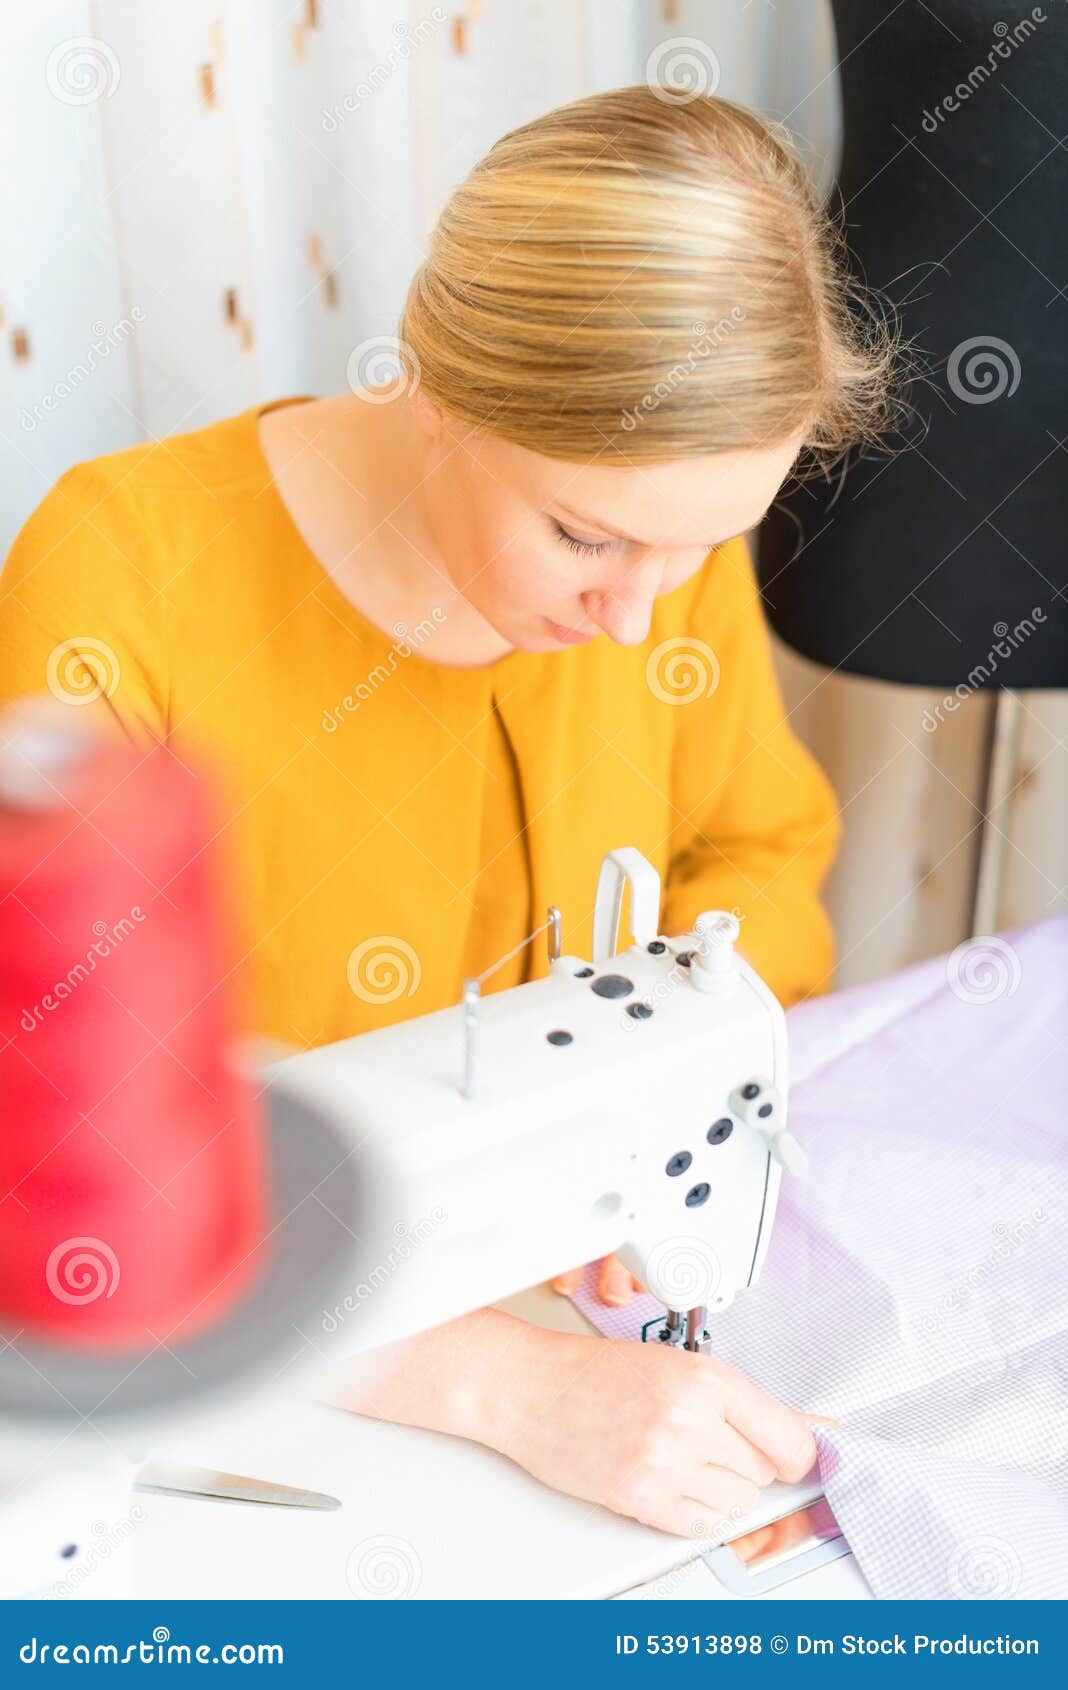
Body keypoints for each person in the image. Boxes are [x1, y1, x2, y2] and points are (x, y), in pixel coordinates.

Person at [0, 86, 898, 1538]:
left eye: (701, 548)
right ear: (432, 385)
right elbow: (60, 1145)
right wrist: (505, 1386)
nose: (631, 624)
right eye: (581, 536)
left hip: (549, 1313)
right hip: (248, 1403)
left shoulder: (654, 560)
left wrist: (646, 1141)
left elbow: (756, 848)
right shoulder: (119, 585)